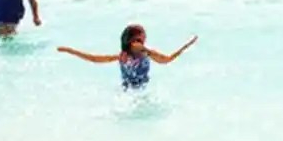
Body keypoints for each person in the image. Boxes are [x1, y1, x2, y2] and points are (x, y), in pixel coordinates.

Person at [56, 25, 198, 90]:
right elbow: (95, 59)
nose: (143, 40)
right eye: (140, 38)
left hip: (136, 94)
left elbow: (167, 60)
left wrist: (187, 45)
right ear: (132, 41)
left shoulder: (141, 54)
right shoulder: (125, 56)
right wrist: (70, 51)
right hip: (134, 95)